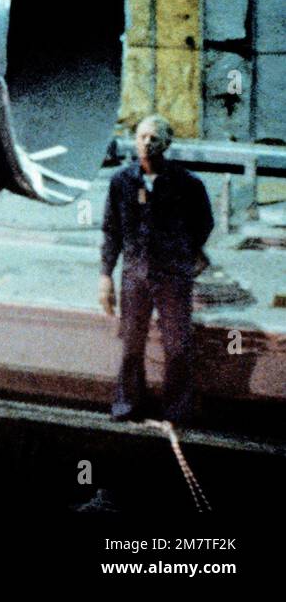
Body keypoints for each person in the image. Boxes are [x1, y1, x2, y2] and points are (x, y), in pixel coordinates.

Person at [99, 114, 213, 424]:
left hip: (172, 277)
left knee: (177, 346)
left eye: (154, 138)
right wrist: (105, 275)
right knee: (131, 344)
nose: (147, 143)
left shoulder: (187, 184)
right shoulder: (121, 182)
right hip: (135, 275)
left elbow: (203, 223)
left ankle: (177, 410)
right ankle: (128, 404)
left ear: (166, 143)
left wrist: (183, 255)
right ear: (134, 140)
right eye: (142, 136)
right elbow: (112, 232)